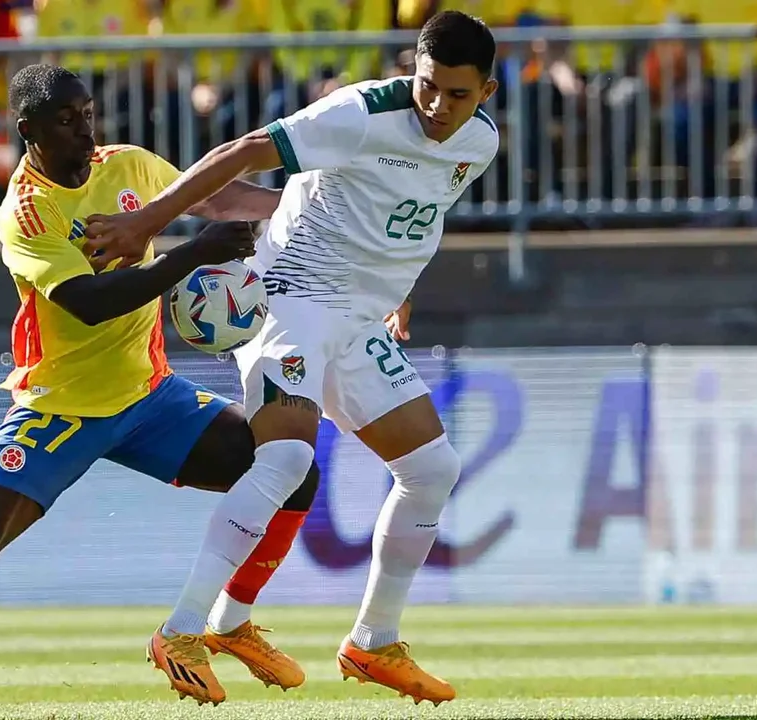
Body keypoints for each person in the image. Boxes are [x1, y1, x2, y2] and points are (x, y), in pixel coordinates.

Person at [0, 64, 320, 720]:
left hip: (150, 398)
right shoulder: (26, 211)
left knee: (292, 470)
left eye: (86, 114)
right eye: (65, 120)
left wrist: (315, 207)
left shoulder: (129, 165)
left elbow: (221, 200)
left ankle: (230, 622)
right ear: (28, 131)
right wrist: (188, 256)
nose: (84, 130)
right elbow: (89, 301)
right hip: (60, 409)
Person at [86, 10, 500, 706]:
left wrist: (398, 294)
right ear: (413, 70)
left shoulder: (479, 141)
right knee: (285, 459)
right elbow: (245, 150)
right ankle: (181, 630)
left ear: (486, 92)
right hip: (292, 297)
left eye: (456, 94)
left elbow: (413, 217)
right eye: (427, 86)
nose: (436, 105)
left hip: (359, 321)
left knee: (432, 470)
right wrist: (145, 222)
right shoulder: (360, 114)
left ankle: (373, 641)